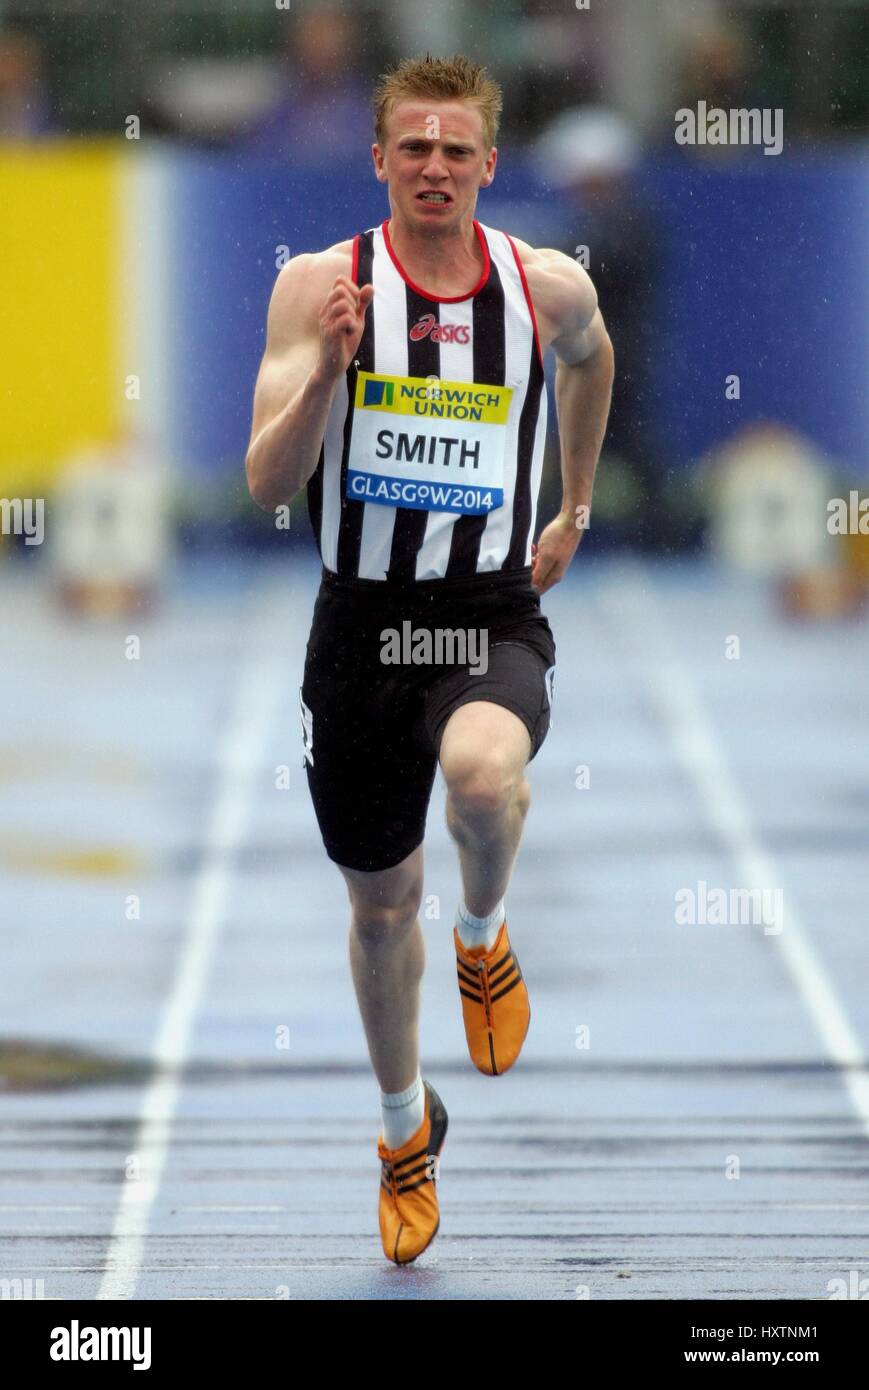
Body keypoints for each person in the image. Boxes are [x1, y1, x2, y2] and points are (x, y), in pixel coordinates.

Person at [245, 54, 614, 1266]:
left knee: (479, 775)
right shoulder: (320, 286)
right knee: (375, 904)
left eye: (457, 150)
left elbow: (588, 357)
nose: (435, 169)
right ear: (378, 160)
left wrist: (571, 506)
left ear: (489, 165)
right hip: (358, 628)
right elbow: (264, 479)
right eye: (413, 148)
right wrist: (330, 379)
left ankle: (485, 932)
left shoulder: (541, 283)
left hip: (485, 613)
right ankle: (405, 1126)